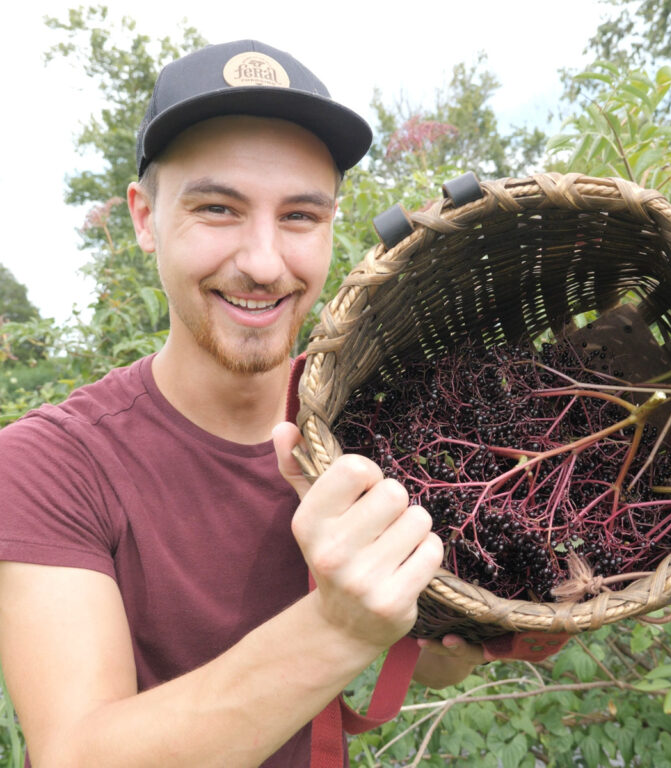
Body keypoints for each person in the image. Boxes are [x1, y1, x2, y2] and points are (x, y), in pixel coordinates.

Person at [0, 39, 497, 767]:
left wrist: (439, 640)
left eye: (300, 216)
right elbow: (76, 754)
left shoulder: (377, 426)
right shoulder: (52, 464)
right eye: (217, 208)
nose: (264, 262)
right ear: (144, 218)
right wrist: (338, 630)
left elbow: (417, 645)